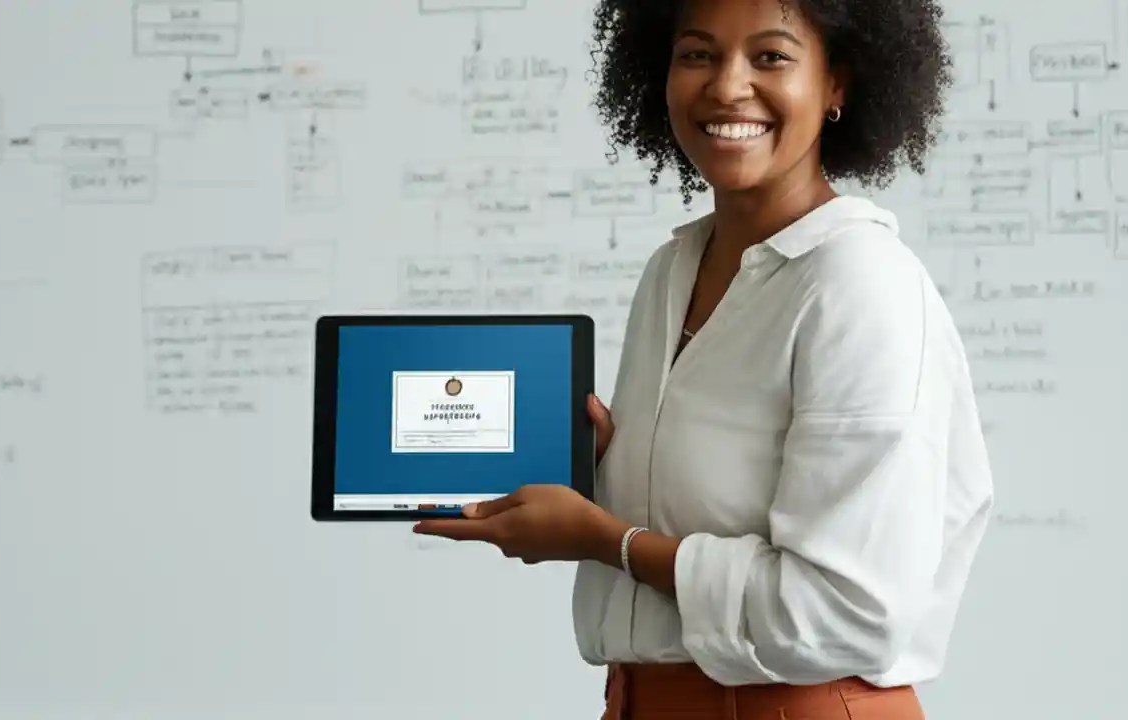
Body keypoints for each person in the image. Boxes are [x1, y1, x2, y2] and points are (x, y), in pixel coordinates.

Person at [414, 0, 994, 717]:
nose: (727, 86)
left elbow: (846, 610)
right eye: (697, 54)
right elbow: (713, 503)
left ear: (838, 82)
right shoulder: (672, 270)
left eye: (771, 57)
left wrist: (605, 539)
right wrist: (603, 475)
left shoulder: (859, 283)